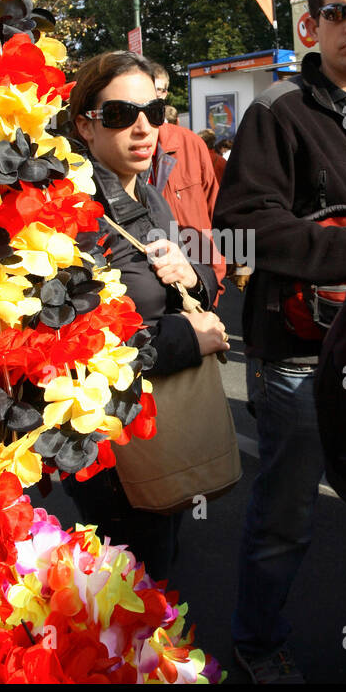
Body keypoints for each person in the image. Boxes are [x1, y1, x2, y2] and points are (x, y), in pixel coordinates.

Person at [213, 0, 346, 682]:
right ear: (311, 27)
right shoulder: (278, 109)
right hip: (296, 355)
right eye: (336, 13)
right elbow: (238, 227)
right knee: (285, 520)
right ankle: (257, 646)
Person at [62, 51, 228, 581]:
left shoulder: (150, 197)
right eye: (119, 115)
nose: (142, 127)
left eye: (154, 113)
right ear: (85, 127)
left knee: (162, 565)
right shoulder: (74, 215)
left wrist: (194, 275)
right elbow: (77, 349)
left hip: (162, 423)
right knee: (135, 583)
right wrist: (187, 338)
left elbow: (174, 286)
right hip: (113, 445)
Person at [147, 62, 224, 288]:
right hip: (149, 282)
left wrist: (214, 278)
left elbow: (215, 208)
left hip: (197, 276)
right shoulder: (121, 147)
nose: (153, 96)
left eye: (159, 90)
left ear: (165, 94)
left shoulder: (190, 143)